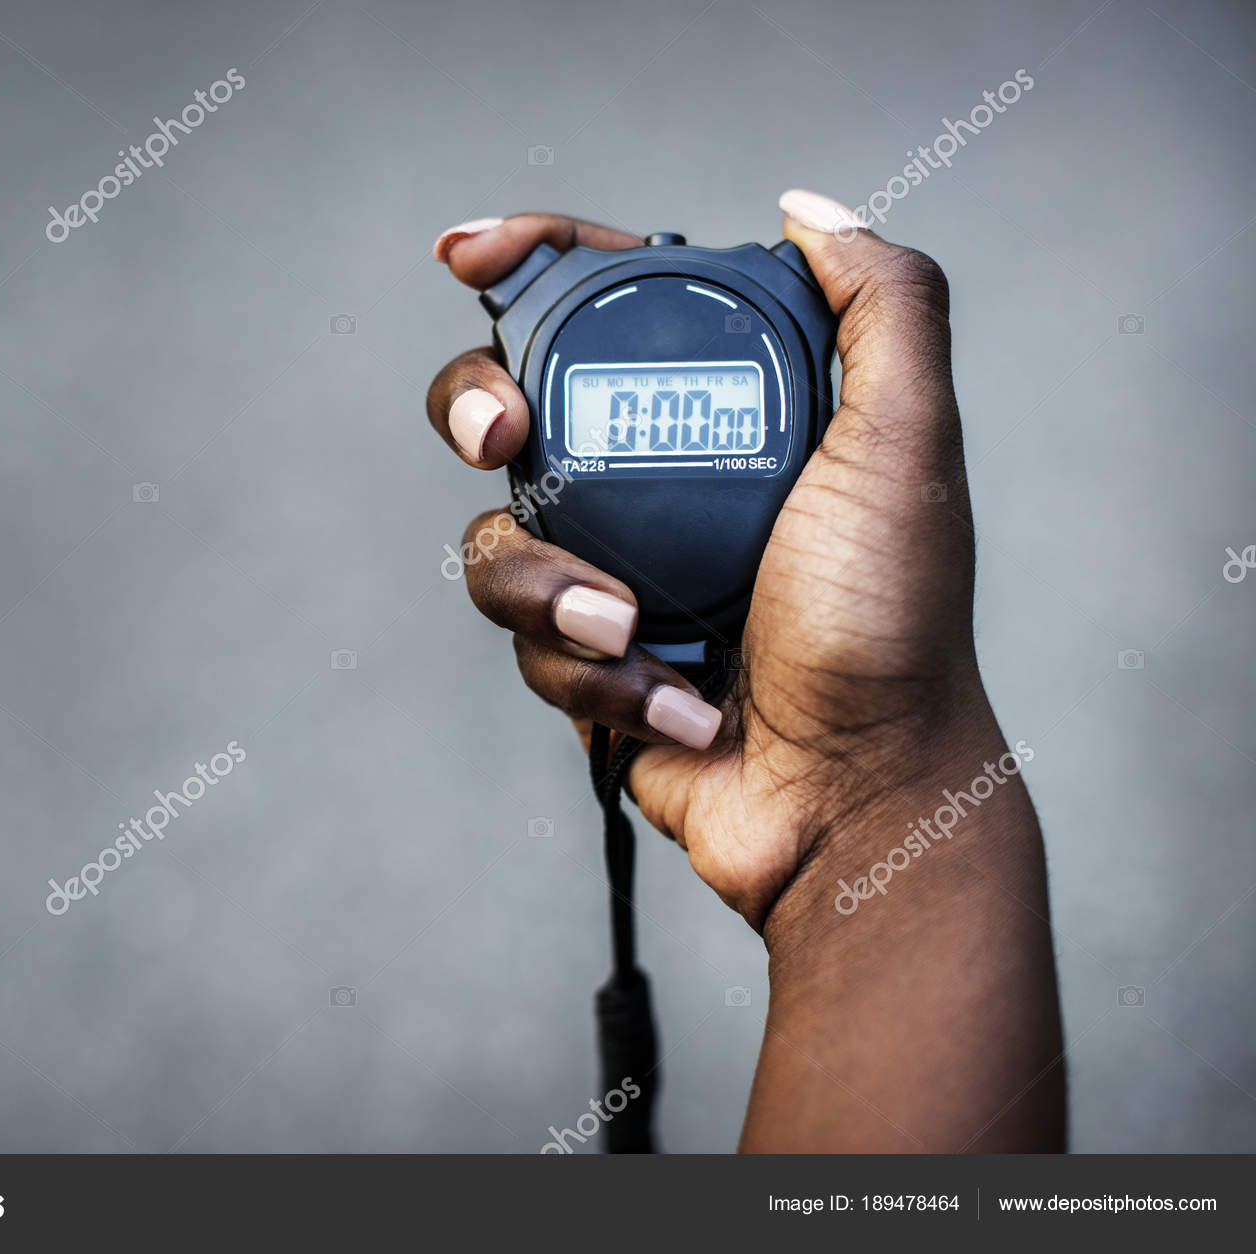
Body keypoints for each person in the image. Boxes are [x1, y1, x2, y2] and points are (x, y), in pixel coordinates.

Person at [425, 191, 1065, 1152]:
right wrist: (868, 811)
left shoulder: (554, 306)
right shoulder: (776, 298)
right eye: (638, 413)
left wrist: (867, 802)